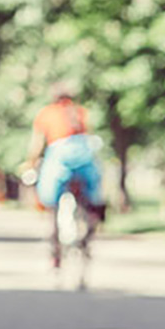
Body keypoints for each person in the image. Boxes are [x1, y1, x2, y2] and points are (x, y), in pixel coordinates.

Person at [25, 82, 105, 269]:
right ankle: (92, 224)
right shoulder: (80, 112)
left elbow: (37, 144)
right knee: (94, 192)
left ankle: (55, 247)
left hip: (60, 157)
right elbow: (89, 136)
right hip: (84, 155)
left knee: (50, 199)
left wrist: (31, 162)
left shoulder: (46, 113)